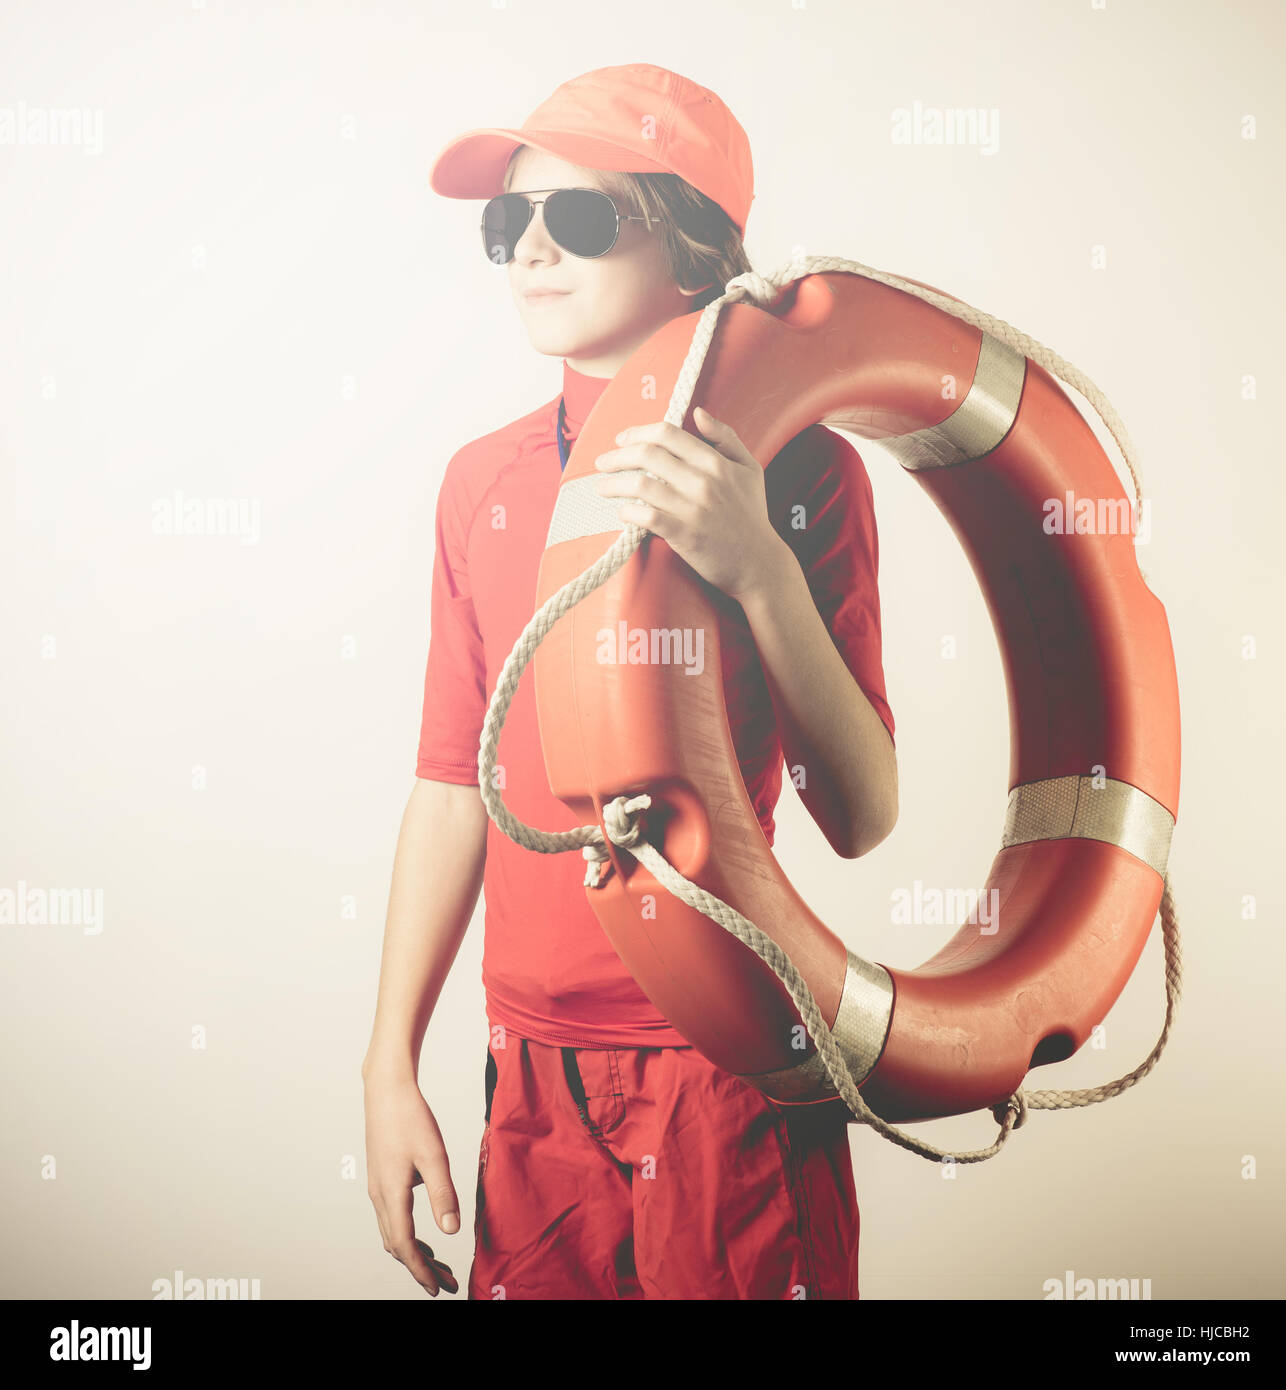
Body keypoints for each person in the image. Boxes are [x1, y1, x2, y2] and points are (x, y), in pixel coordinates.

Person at [362, 62, 898, 1301]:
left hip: (727, 1058)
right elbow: (452, 789)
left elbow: (864, 813)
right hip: (532, 1068)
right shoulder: (479, 483)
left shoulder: (797, 465)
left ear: (696, 246)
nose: (533, 251)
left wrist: (761, 567)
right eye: (513, 222)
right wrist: (388, 1066)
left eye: (583, 218)